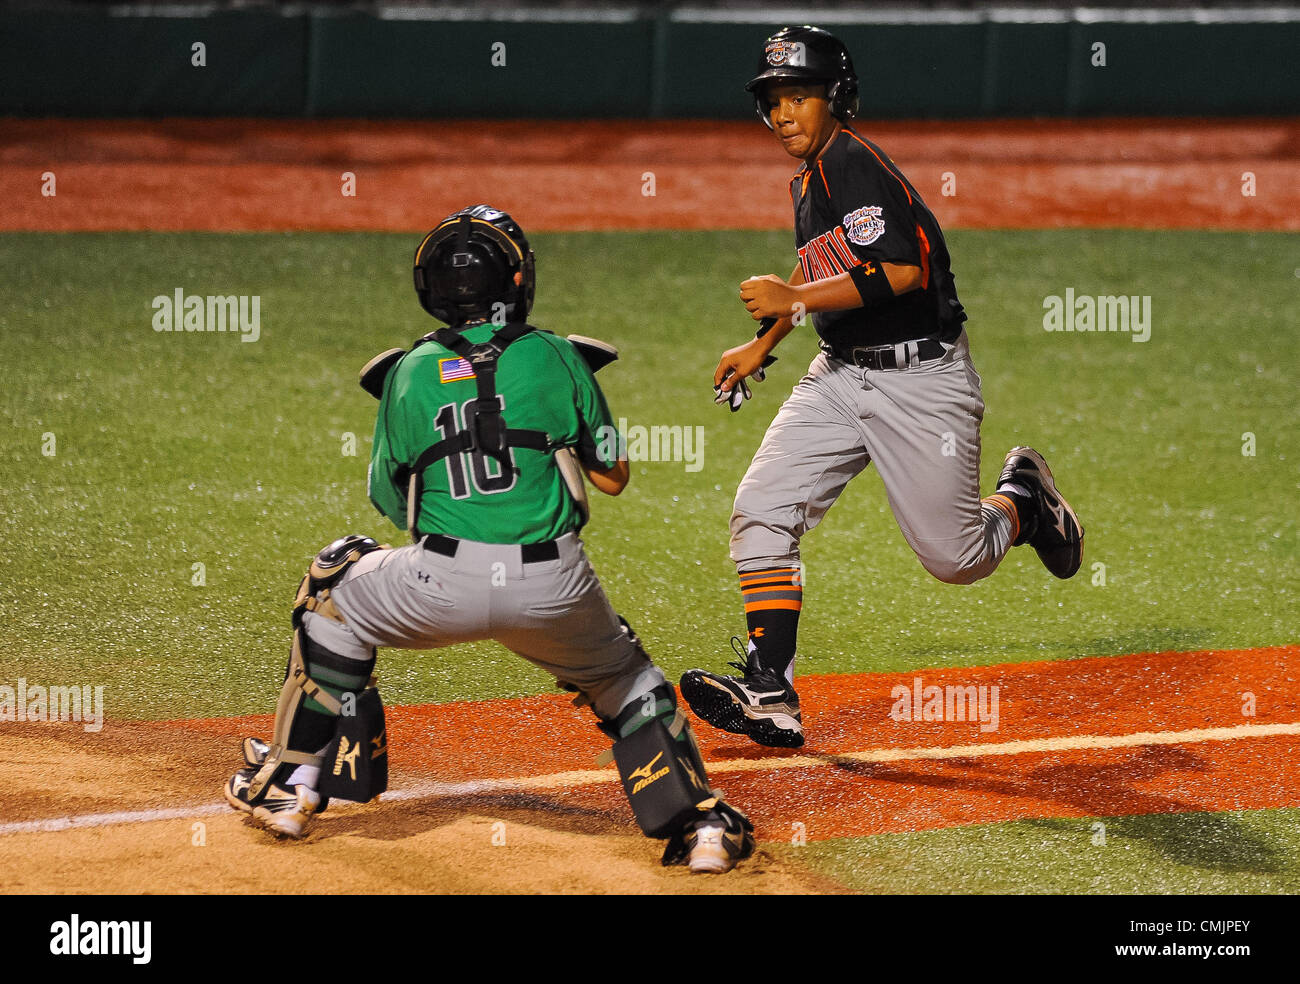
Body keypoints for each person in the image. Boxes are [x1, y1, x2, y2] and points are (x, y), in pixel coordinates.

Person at [224, 204, 754, 874]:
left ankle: (292, 790)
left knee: (333, 586)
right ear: (518, 280)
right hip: (555, 585)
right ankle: (700, 826)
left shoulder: (409, 372)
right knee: (622, 676)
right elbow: (615, 475)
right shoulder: (560, 356)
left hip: (441, 581)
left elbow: (391, 501)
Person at [680, 27, 1084, 749]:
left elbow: (900, 273)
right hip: (838, 376)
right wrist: (764, 343)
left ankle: (1024, 500)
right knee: (761, 510)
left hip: (923, 382)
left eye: (797, 96)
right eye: (773, 101)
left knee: (954, 559)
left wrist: (787, 303)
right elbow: (824, 280)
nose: (783, 114)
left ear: (833, 97)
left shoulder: (854, 164)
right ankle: (770, 689)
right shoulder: (810, 180)